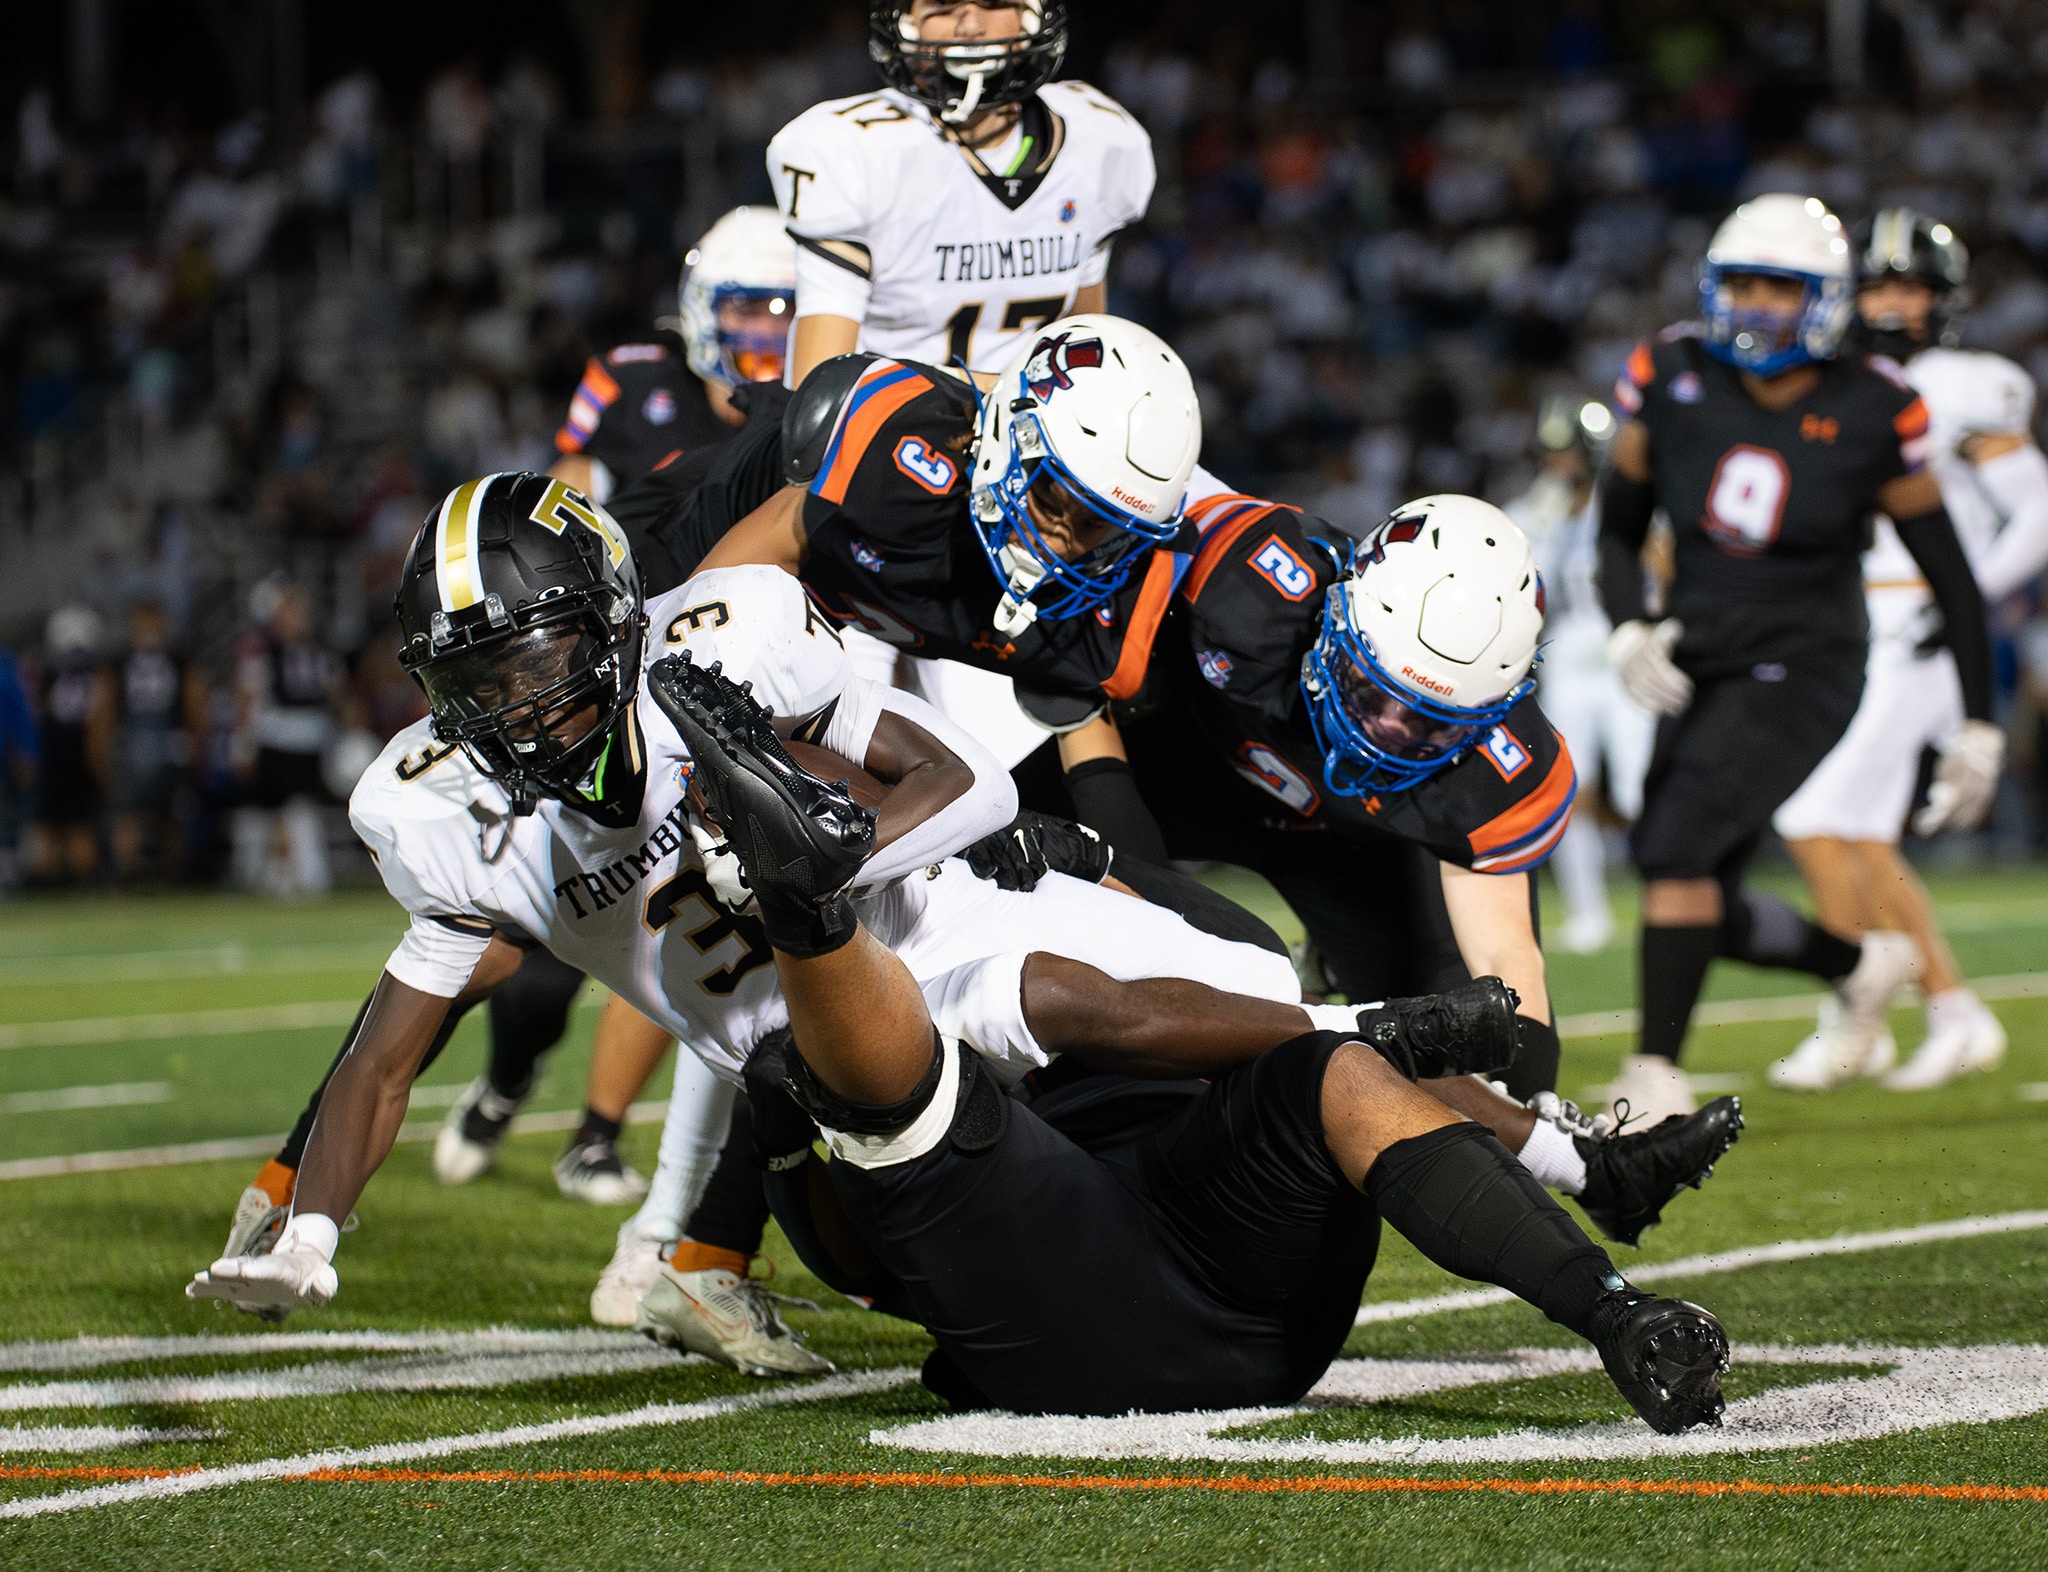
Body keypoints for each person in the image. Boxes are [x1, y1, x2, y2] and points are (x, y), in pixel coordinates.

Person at [188, 472, 1333, 1333]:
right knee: (1018, 1297)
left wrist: (821, 870)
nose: (512, 710)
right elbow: (383, 1060)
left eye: (530, 665)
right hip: (834, 1096)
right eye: (472, 686)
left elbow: (968, 783)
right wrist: (314, 1232)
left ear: (608, 619)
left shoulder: (722, 642)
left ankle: (1421, 1076)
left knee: (1265, 1000)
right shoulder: (442, 814)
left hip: (931, 943)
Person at [594, 651, 1732, 1430]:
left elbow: (1220, 975)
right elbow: (868, 1258)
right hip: (1061, 1302)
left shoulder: (1005, 862)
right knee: (1296, 1033)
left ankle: (1616, 1308)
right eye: (796, 800)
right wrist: (801, 1149)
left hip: (1244, 1282)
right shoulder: (842, 1020)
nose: (832, 793)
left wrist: (1088, 857)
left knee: (1318, 1061)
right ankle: (1557, 1151)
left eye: (822, 778)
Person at [1598, 194, 1996, 1122]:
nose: (1756, 305)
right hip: (1698, 649)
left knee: (1673, 849)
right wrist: (1628, 624)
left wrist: (1977, 722)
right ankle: (1860, 964)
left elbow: (1954, 576)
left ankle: (1656, 1071)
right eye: (1740, 283)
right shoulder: (1672, 369)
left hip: (1808, 659)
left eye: (1780, 285)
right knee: (1694, 882)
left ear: (1824, 298)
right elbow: (1617, 528)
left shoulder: (1876, 404)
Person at [1771, 209, 2048, 1091]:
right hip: (1853, 623)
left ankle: (1864, 1013)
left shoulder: (1972, 384)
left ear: (1945, 298)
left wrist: (1965, 589)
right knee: (1851, 832)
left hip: (1921, 625)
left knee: (1813, 814)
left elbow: (2037, 509)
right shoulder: (1840, 383)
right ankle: (1942, 1010)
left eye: (1912, 287)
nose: (1894, 303)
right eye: (1881, 285)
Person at [1505, 396, 1655, 955]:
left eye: (1565, 454)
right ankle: (1589, 912)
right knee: (1573, 790)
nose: (1557, 465)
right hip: (1568, 660)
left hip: (1625, 658)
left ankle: (1664, 897)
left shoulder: (1628, 504)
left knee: (1642, 788)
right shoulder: (1531, 513)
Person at [232, 581, 344, 898]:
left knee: (298, 808)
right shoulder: (261, 647)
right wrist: (243, 742)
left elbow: (336, 693)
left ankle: (300, 874)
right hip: (275, 734)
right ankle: (271, 872)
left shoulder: (319, 647)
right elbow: (248, 697)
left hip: (310, 736)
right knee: (269, 809)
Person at [109, 601, 207, 880]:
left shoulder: (130, 661)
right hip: (161, 747)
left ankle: (153, 878)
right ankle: (143, 877)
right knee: (141, 818)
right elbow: (197, 703)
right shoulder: (174, 660)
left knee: (161, 819)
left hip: (149, 747)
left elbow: (195, 701)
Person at [29, 605, 113, 886]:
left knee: (54, 824)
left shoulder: (52, 675)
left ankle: (51, 882)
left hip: (58, 752)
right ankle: (77, 882)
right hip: (72, 751)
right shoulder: (95, 676)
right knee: (73, 824)